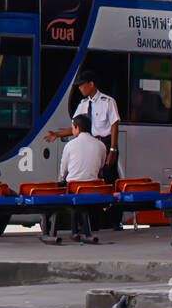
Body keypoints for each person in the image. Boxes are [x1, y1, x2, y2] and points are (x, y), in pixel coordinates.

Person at [47, 70, 120, 223]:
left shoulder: (108, 101)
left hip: (104, 143)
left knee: (108, 181)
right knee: (91, 182)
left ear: (91, 84)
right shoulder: (83, 105)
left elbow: (114, 125)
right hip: (88, 145)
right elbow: (75, 126)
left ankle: (113, 220)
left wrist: (113, 149)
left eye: (82, 85)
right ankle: (92, 218)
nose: (80, 89)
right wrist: (57, 135)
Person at [58, 114, 106, 183]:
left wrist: (62, 178)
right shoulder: (101, 145)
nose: (72, 131)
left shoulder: (69, 145)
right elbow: (101, 166)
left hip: (73, 188)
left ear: (78, 128)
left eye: (73, 128)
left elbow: (63, 171)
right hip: (93, 188)